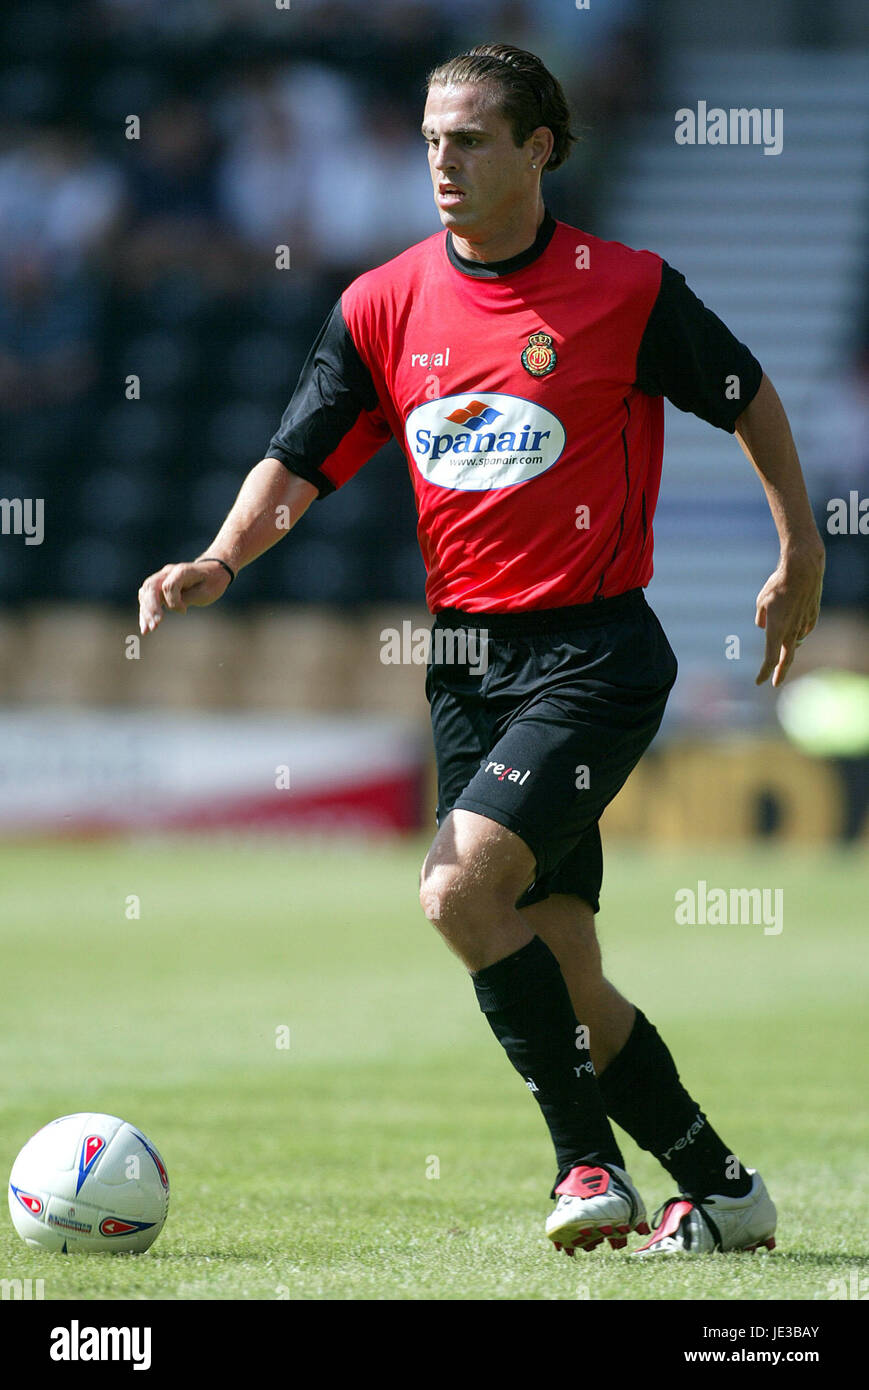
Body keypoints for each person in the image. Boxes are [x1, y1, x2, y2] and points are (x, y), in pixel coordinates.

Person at [138, 44, 825, 1257]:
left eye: (467, 139)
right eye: (428, 141)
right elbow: (300, 453)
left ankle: (582, 1170)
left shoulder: (623, 289)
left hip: (596, 654)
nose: (441, 162)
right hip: (463, 665)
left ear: (537, 149)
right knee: (563, 962)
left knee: (457, 890)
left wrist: (798, 553)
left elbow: (746, 394)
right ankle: (721, 1189)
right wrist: (221, 558)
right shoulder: (383, 300)